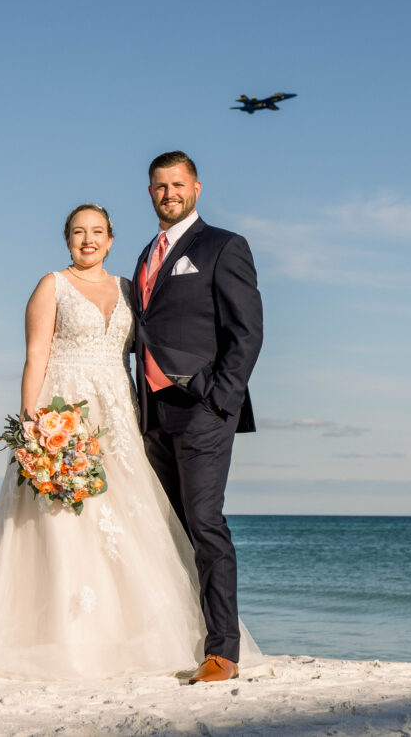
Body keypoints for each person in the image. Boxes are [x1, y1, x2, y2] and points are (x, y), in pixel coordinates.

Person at [0, 203, 258, 680]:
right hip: (64, 413)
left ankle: (146, 638)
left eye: (97, 232)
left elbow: (169, 334)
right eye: (78, 232)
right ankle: (64, 638)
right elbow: (35, 358)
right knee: (62, 526)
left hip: (119, 419)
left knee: (129, 525)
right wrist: (32, 431)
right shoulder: (50, 286)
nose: (87, 240)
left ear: (111, 239)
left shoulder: (129, 288)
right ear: (66, 239)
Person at [129, 151, 263, 684]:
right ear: (150, 192)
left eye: (177, 184)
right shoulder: (145, 254)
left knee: (206, 524)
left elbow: (246, 331)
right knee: (169, 528)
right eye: (160, 186)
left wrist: (220, 398)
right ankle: (177, 634)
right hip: (151, 413)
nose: (169, 193)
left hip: (203, 411)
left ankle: (222, 653)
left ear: (197, 188)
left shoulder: (223, 246)